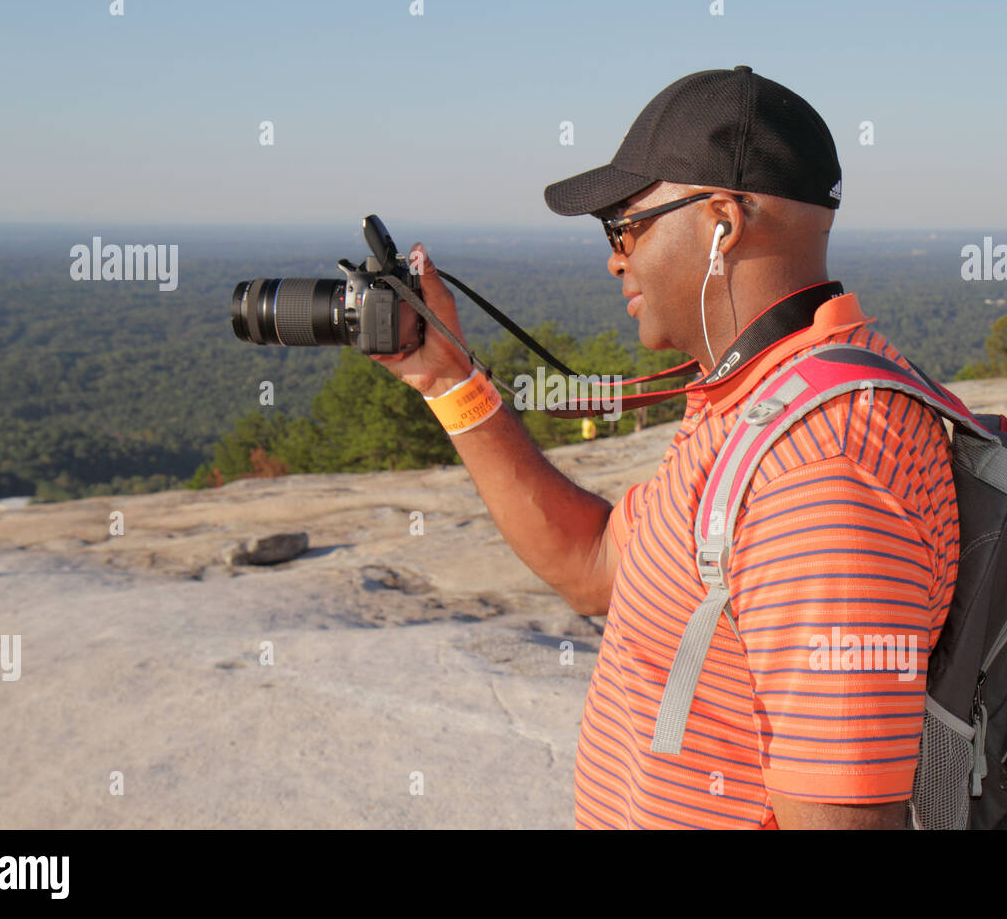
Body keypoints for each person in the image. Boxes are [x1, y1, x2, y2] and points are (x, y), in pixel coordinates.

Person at [368, 66, 959, 830]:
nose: (615, 257)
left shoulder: (822, 472)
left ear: (723, 220)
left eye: (626, 224)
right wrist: (449, 378)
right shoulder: (761, 395)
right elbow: (599, 569)